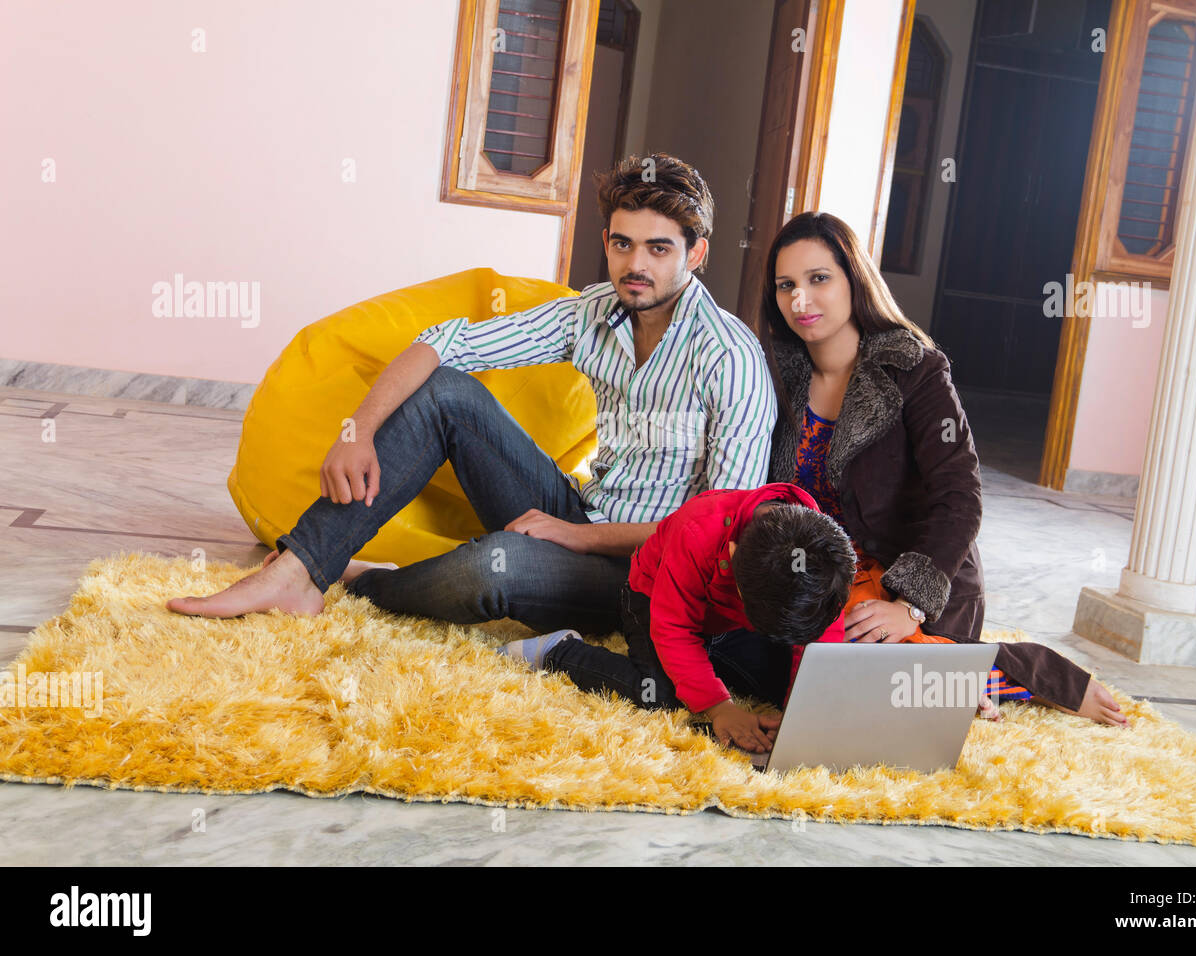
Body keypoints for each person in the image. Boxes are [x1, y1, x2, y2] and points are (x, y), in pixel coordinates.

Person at [166, 154, 776, 636]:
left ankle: (363, 584)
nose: (634, 264)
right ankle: (303, 570)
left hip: (651, 573)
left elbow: (718, 529)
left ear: (696, 253)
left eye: (658, 248)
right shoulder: (593, 311)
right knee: (445, 393)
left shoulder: (730, 357)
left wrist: (576, 538)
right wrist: (358, 431)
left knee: (495, 566)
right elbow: (445, 343)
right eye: (622, 243)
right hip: (579, 516)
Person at [758, 212, 1127, 727]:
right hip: (822, 575)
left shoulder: (915, 368)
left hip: (907, 574)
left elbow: (961, 497)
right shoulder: (775, 373)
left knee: (848, 685)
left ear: (854, 279)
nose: (801, 300)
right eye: (786, 285)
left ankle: (1010, 670)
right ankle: (936, 674)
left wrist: (908, 605)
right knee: (753, 661)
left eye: (819, 278)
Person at [500, 483, 857, 752]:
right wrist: (720, 708)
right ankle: (560, 651)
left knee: (788, 693)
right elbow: (674, 631)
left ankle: (724, 661)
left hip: (730, 623)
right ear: (732, 558)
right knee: (661, 697)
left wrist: (802, 714)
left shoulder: (825, 562)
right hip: (652, 600)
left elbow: (820, 644)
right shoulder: (698, 528)